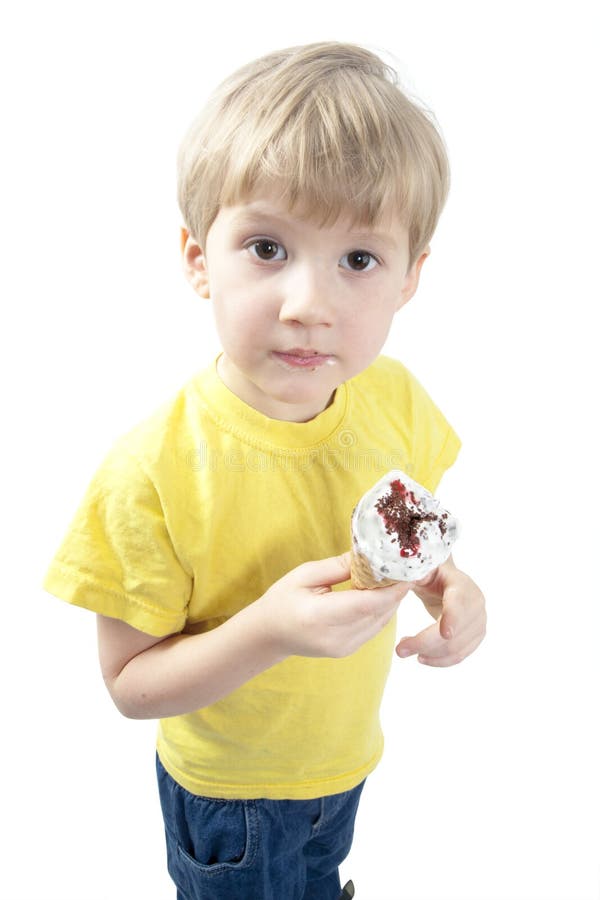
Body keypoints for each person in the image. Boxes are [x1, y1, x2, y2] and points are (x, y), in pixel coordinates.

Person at [43, 41, 486, 900]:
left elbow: (408, 537)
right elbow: (130, 688)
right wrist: (267, 632)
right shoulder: (153, 471)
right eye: (267, 247)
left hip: (344, 763)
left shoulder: (393, 399)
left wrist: (452, 588)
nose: (308, 305)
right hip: (232, 798)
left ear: (409, 280)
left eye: (359, 260)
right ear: (199, 257)